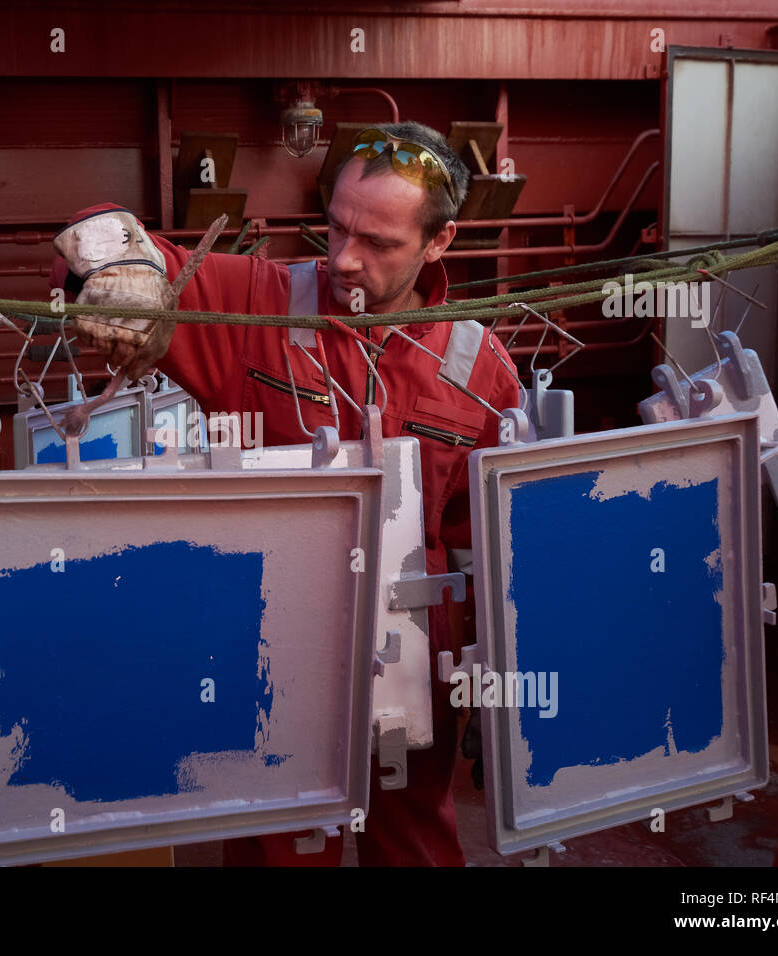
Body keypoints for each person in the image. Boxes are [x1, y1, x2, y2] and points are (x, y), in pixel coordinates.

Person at [49, 121, 521, 865]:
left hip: (414, 659)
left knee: (415, 840)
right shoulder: (259, 307)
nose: (345, 259)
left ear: (440, 241)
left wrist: (494, 676)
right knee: (278, 845)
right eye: (335, 229)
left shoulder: (481, 369)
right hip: (269, 653)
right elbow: (106, 233)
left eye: (379, 243)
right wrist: (124, 273)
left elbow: (491, 552)